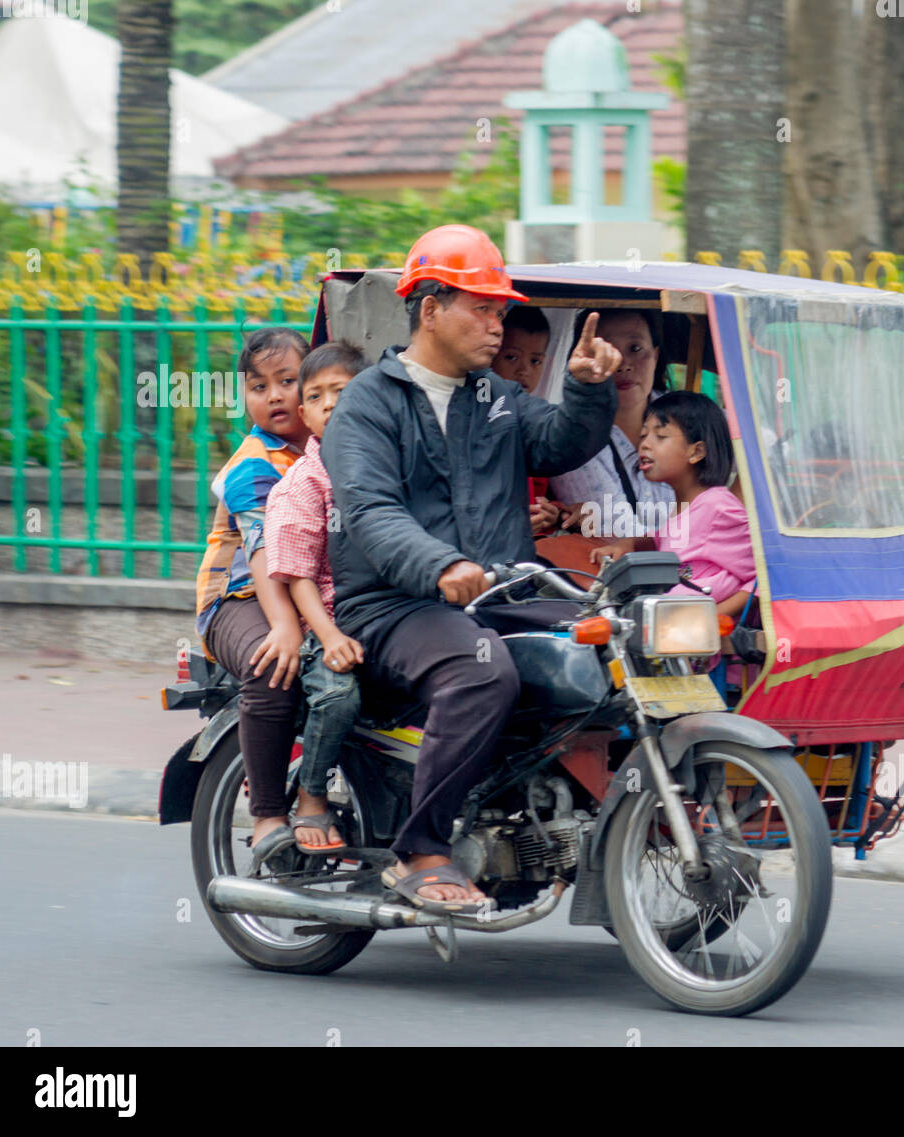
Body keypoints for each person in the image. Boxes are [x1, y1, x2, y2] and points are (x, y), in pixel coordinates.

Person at [319, 224, 619, 913]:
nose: (497, 325)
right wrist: (442, 562)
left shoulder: (495, 398)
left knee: (614, 639)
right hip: (395, 604)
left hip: (498, 591)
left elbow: (560, 442)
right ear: (430, 308)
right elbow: (370, 511)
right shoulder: (367, 403)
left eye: (499, 310)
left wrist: (587, 389)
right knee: (482, 668)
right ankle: (422, 849)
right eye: (482, 309)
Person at [193, 327, 311, 868]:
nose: (275, 396)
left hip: (307, 592)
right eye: (259, 386)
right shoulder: (252, 463)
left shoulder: (330, 448)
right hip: (238, 600)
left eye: (288, 381)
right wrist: (285, 627)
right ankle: (267, 816)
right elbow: (264, 551)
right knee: (273, 664)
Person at [262, 341, 370, 854]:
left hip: (385, 618)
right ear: (304, 412)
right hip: (325, 625)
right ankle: (310, 794)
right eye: (317, 396)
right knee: (337, 694)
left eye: (343, 392)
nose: (330, 404)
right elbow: (298, 575)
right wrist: (327, 637)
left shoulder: (388, 470)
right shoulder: (302, 484)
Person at [590, 391, 756, 618]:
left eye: (660, 436)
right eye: (643, 435)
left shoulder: (717, 508)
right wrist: (629, 543)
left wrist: (712, 620)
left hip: (695, 640)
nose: (644, 445)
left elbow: (763, 578)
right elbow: (665, 538)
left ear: (696, 451)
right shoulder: (687, 506)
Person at [549, 308, 676, 539]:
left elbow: (756, 445)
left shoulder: (684, 415)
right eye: (606, 351)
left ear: (655, 356)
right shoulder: (571, 434)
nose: (623, 364)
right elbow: (620, 532)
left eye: (635, 348)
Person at [490, 304, 559, 535]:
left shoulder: (538, 422)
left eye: (535, 361)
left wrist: (552, 513)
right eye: (511, 357)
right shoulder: (480, 417)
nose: (524, 371)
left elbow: (542, 497)